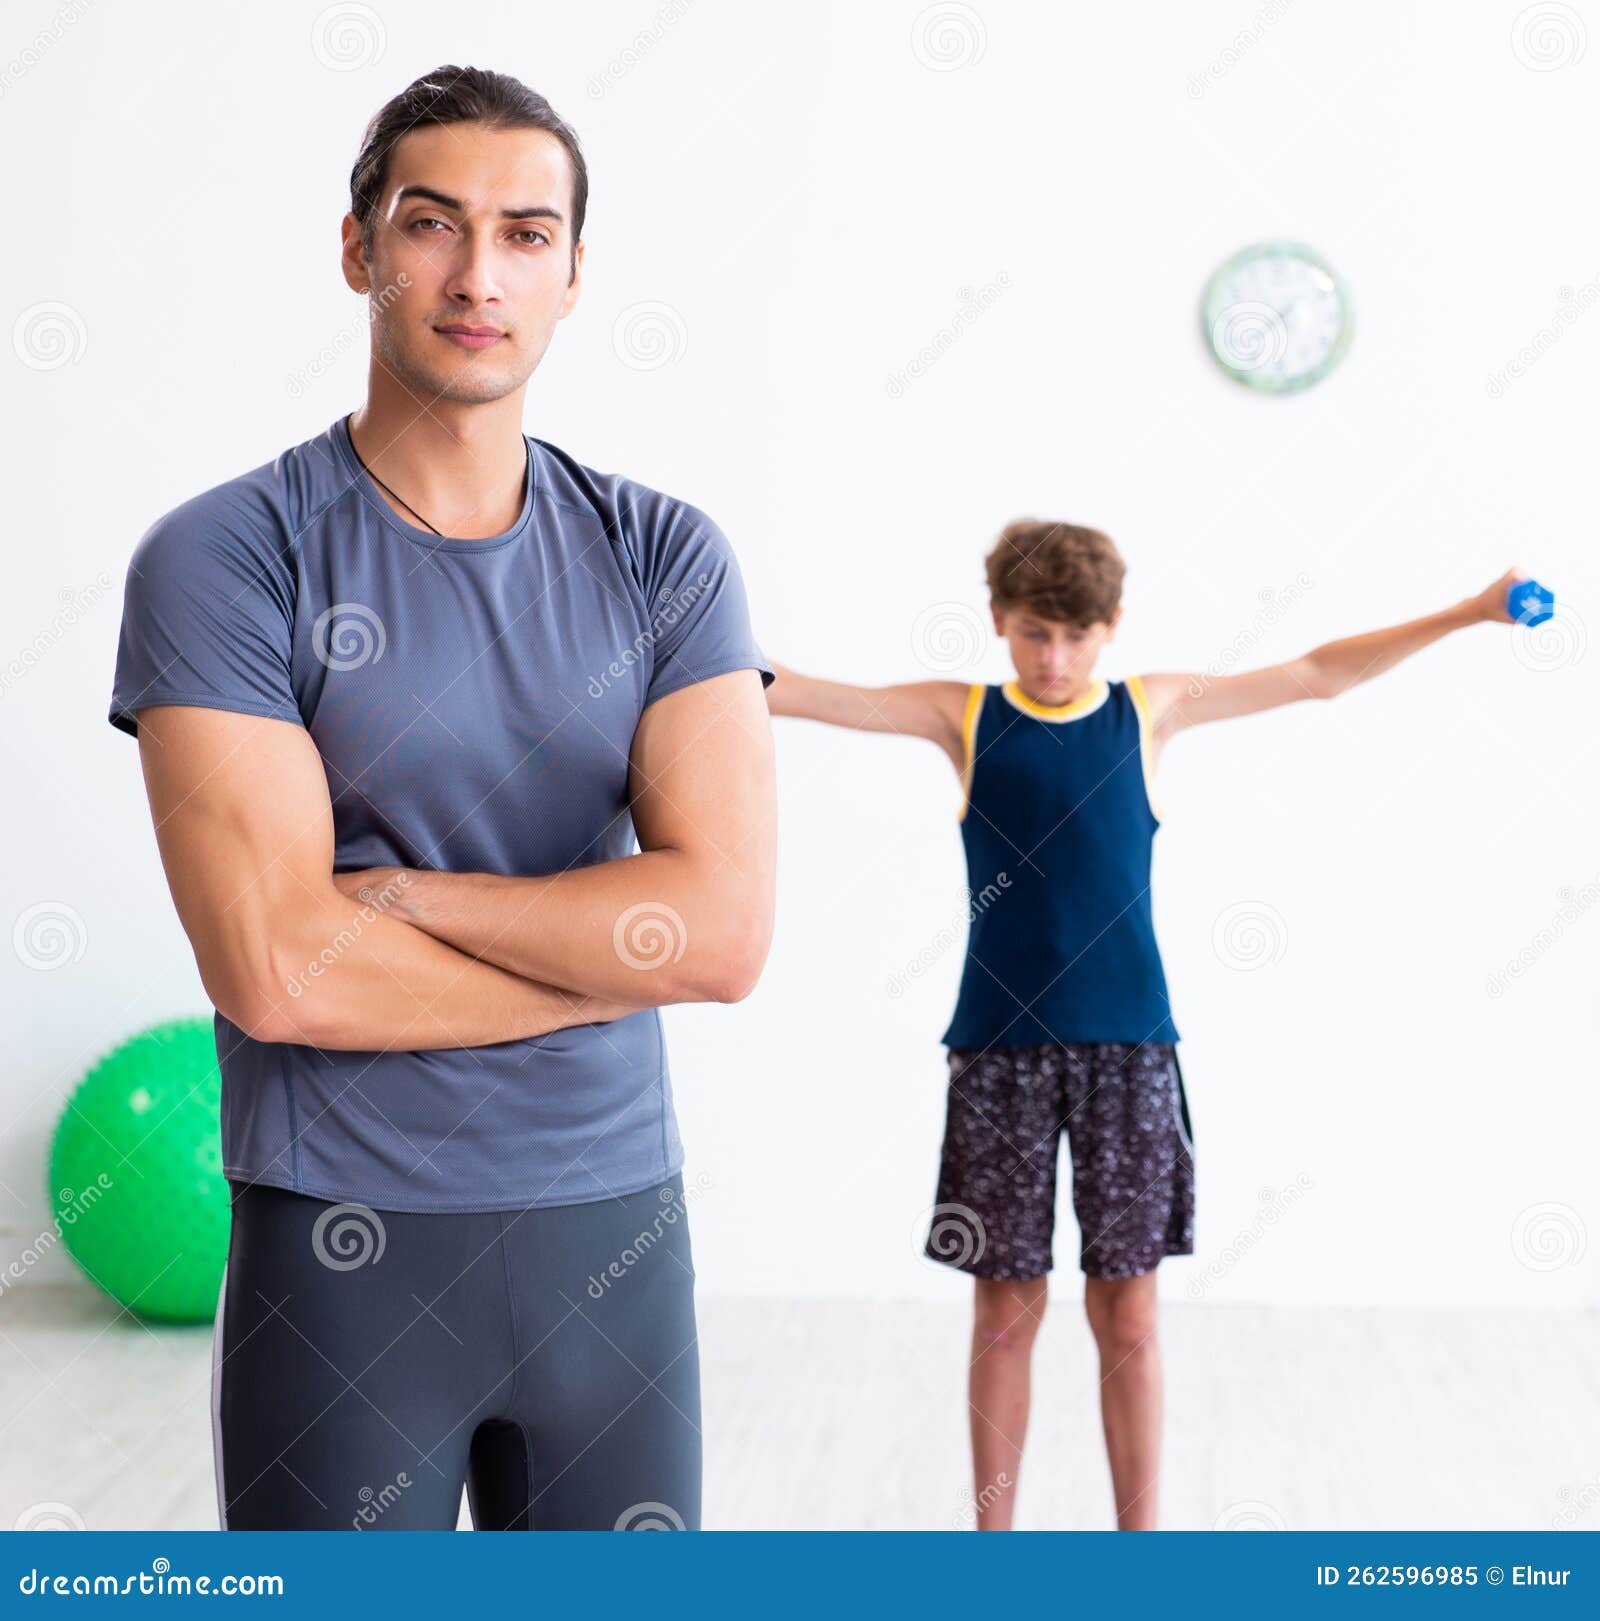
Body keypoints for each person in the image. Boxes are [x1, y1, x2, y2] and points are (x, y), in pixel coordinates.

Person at [107, 65, 776, 1531]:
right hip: (344, 1260)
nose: (480, 275)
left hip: (616, 1247)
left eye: (527, 234)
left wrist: (408, 902)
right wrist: (606, 963)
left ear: (575, 275)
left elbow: (721, 932)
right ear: (358, 249)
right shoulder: (229, 558)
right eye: (433, 225)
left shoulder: (666, 558)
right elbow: (279, 970)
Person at [766, 518, 1530, 1530]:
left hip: (1130, 1054)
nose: (1054, 658)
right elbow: (793, 690)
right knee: (1004, 1312)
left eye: (1076, 637)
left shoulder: (1146, 711)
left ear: (1111, 627)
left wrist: (1473, 609)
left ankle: (1143, 1554)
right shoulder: (961, 717)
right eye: (1035, 634)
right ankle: (990, 1549)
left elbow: (1314, 673)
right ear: (998, 621)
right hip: (999, 1056)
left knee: (1127, 1306)